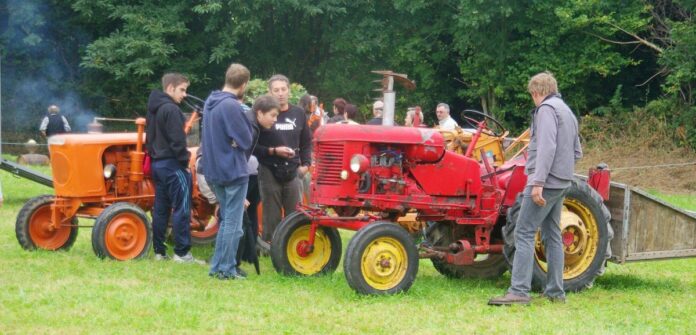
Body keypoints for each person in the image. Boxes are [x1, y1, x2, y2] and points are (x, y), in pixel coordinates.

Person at [488, 71, 582, 306]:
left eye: (532, 95)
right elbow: (577, 151)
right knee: (551, 234)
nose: (533, 99)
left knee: (524, 231)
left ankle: (519, 291)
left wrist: (538, 182)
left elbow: (547, 147)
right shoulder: (567, 111)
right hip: (562, 181)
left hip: (546, 182)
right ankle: (555, 292)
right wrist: (562, 172)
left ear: (537, 92)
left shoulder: (546, 110)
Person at [200, 63, 254, 280]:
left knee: (226, 220)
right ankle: (226, 269)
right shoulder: (231, 106)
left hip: (214, 170)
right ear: (243, 84)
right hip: (232, 171)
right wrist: (234, 140)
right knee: (233, 222)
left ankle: (218, 266)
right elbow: (246, 139)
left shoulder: (210, 102)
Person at [146, 73, 202, 263]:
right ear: (170, 88)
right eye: (182, 90)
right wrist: (185, 162)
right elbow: (178, 141)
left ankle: (159, 252)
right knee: (182, 208)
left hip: (157, 165)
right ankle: (182, 253)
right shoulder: (171, 110)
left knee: (160, 209)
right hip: (173, 165)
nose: (184, 95)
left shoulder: (154, 108)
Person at [254, 74, 312, 242]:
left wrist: (306, 164)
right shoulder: (262, 115)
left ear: (289, 91)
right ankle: (268, 247)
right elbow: (253, 147)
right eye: (276, 90)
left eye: (283, 89)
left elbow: (307, 142)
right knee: (271, 213)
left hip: (293, 170)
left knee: (294, 212)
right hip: (269, 169)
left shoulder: (299, 113)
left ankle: (291, 246)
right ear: (269, 92)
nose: (280, 93)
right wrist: (273, 151)